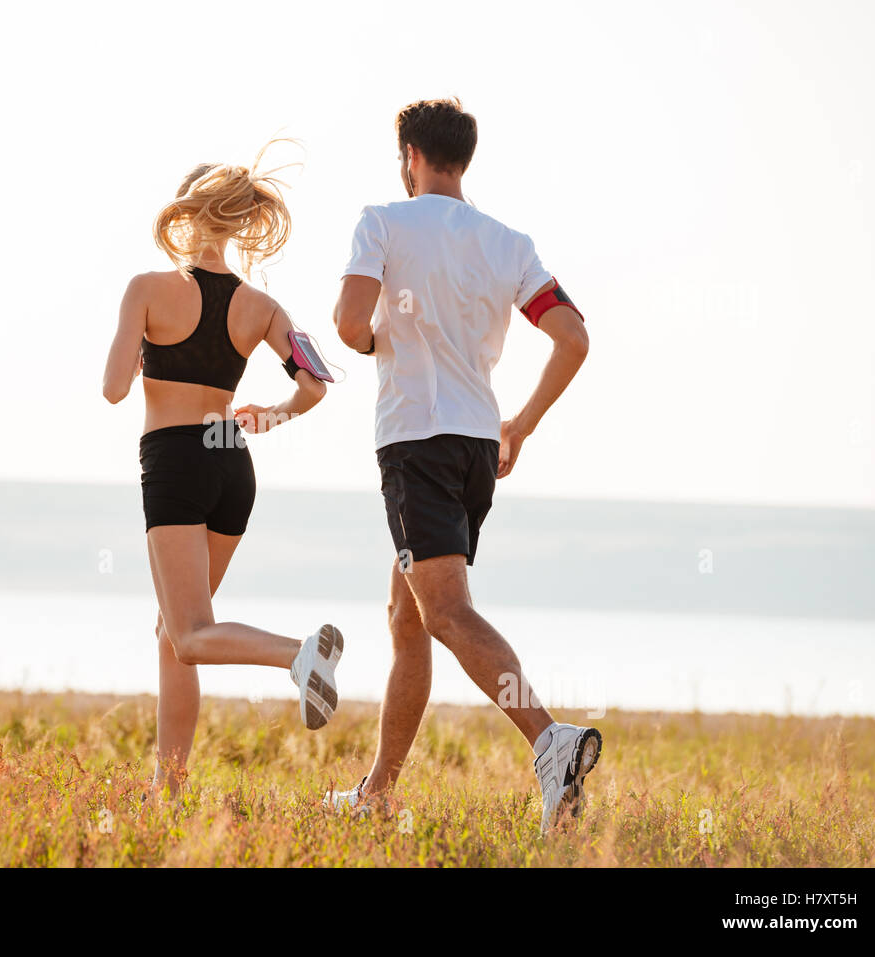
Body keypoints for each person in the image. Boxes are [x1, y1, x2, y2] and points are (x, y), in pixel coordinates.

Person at [330, 98, 601, 833]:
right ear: (463, 160)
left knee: (445, 611)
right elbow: (572, 338)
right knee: (408, 613)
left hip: (416, 442)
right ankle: (379, 790)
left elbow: (350, 324)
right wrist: (522, 425)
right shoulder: (507, 241)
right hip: (479, 444)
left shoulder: (382, 221)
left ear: (410, 157)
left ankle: (551, 741)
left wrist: (377, 339)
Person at [102, 145, 345, 798]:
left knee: (190, 632)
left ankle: (299, 652)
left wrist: (140, 352)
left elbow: (112, 390)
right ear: (240, 222)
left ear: (188, 214)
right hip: (232, 462)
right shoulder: (261, 307)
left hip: (175, 462)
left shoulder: (147, 289)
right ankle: (168, 792)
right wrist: (269, 417)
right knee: (173, 630)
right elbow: (317, 385)